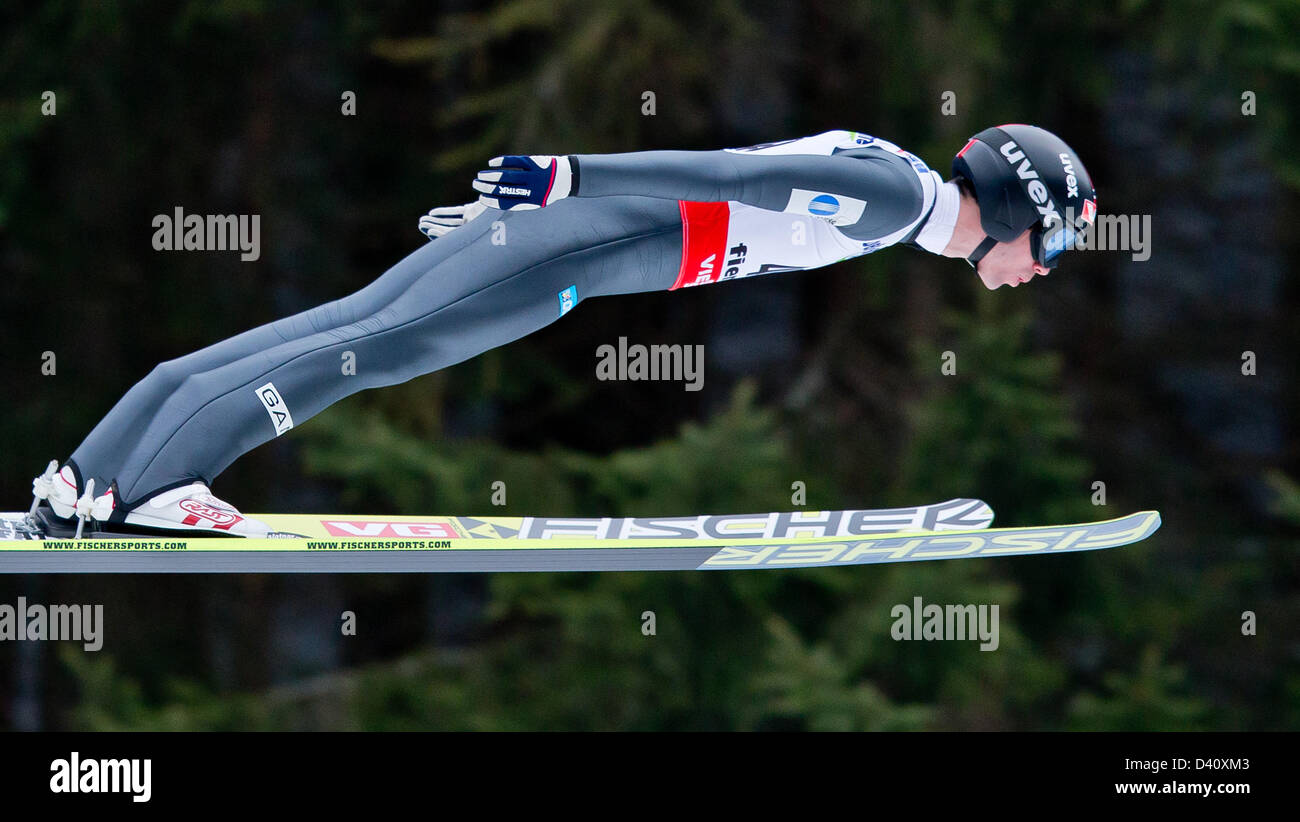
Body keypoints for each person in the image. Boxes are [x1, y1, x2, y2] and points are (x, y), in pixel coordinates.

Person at [30, 125, 1096, 536]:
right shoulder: (891, 200)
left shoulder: (896, 189)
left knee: (349, 329)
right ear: (1014, 216)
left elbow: (738, 189)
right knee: (369, 348)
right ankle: (143, 491)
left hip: (563, 243)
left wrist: (550, 205)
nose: (1032, 277)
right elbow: (737, 175)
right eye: (1043, 254)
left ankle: (90, 476)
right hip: (567, 250)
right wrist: (570, 181)